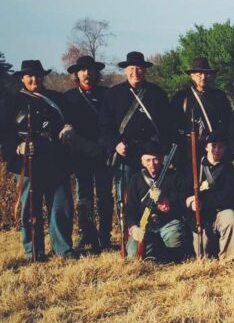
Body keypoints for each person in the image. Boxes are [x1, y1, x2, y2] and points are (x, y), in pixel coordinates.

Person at [1, 60, 77, 259]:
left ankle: (63, 248)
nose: (34, 79)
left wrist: (68, 128)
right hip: (28, 162)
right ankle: (33, 250)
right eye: (30, 76)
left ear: (43, 76)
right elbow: (5, 133)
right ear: (22, 78)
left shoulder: (57, 99)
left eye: (38, 75)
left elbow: (68, 120)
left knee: (61, 206)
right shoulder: (11, 102)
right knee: (30, 209)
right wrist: (18, 148)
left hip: (56, 159)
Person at [99, 51, 174, 250]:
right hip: (126, 156)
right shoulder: (113, 94)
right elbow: (105, 126)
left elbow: (167, 127)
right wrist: (115, 143)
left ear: (145, 70)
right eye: (131, 68)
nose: (135, 72)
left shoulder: (157, 93)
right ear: (125, 70)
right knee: (125, 200)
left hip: (152, 158)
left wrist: (161, 152)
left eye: (139, 68)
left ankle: (153, 235)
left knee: (153, 197)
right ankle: (129, 236)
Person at [64, 55, 113, 252]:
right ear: (76, 73)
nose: (87, 74)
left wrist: (103, 143)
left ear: (96, 73)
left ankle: (105, 236)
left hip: (103, 153)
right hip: (81, 154)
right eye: (83, 70)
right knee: (83, 197)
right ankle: (86, 233)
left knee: (105, 197)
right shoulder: (69, 97)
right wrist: (80, 142)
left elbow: (112, 121)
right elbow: (66, 123)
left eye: (91, 70)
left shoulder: (107, 94)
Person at [124, 143, 188, 262]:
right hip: (144, 225)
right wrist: (133, 227)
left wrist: (166, 202)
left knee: (175, 241)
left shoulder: (173, 176)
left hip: (168, 221)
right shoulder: (136, 179)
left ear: (162, 160)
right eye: (148, 160)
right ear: (142, 162)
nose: (152, 164)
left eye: (156, 160)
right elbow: (130, 209)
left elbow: (180, 202)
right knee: (133, 254)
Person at [184, 132, 234, 262]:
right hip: (200, 216)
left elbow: (228, 197)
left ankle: (227, 260)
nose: (217, 150)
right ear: (206, 147)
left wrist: (203, 201)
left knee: (230, 217)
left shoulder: (230, 168)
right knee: (203, 257)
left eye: (221, 146)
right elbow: (183, 192)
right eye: (213, 146)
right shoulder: (194, 167)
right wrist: (190, 201)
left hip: (220, 212)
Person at [170, 56, 232, 141]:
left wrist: (215, 136)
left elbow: (227, 121)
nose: (203, 77)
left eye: (206, 73)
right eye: (199, 74)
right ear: (192, 76)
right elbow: (174, 123)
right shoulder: (181, 97)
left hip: (214, 145)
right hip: (188, 146)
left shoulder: (219, 96)